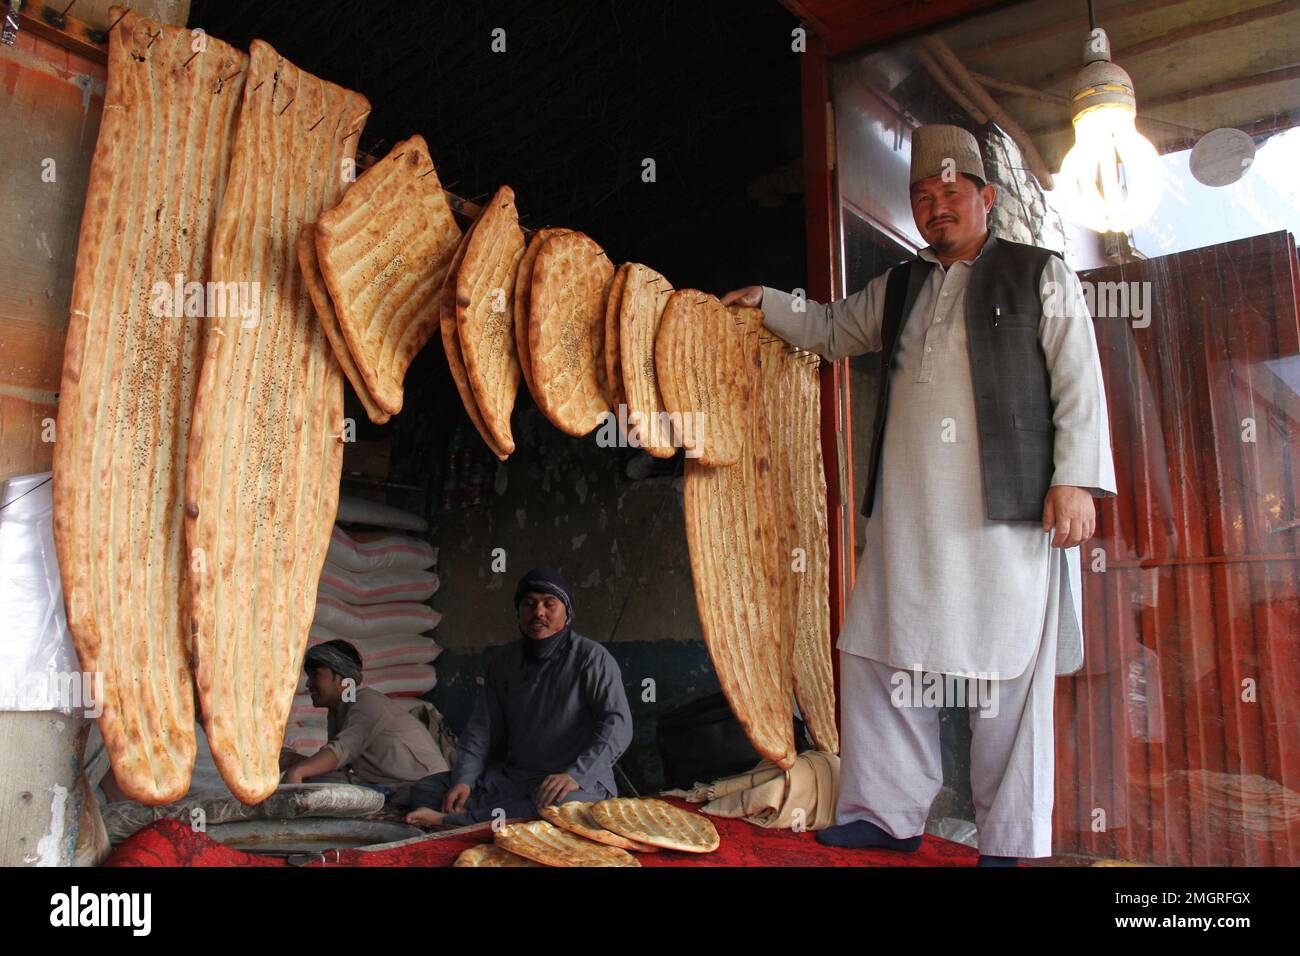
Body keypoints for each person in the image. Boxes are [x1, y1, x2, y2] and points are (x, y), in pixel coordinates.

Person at [721, 124, 1116, 865]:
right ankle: (883, 815)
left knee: (1009, 682)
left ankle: (1011, 841)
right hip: (908, 515)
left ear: (987, 198)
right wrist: (769, 301)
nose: (936, 209)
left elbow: (1078, 379)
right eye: (922, 198)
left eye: (950, 194)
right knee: (881, 654)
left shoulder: (1040, 273)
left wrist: (1076, 481)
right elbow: (833, 329)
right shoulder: (900, 286)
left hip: (1007, 517)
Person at [405, 566, 632, 827]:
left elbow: (618, 725)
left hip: (574, 782)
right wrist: (464, 780)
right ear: (519, 611)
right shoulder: (503, 662)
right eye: (529, 604)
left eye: (549, 604)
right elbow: (482, 730)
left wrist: (576, 775)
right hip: (516, 778)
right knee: (427, 790)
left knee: (562, 808)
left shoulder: (592, 659)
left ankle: (455, 822)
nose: (538, 612)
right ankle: (475, 818)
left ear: (567, 612)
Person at [279, 639, 449, 803]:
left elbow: (340, 752)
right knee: (318, 778)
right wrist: (292, 761)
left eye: (316, 675)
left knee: (317, 784)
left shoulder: (366, 702)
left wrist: (297, 770)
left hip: (426, 788)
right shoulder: (338, 708)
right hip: (392, 785)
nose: (309, 683)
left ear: (342, 679)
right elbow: (338, 763)